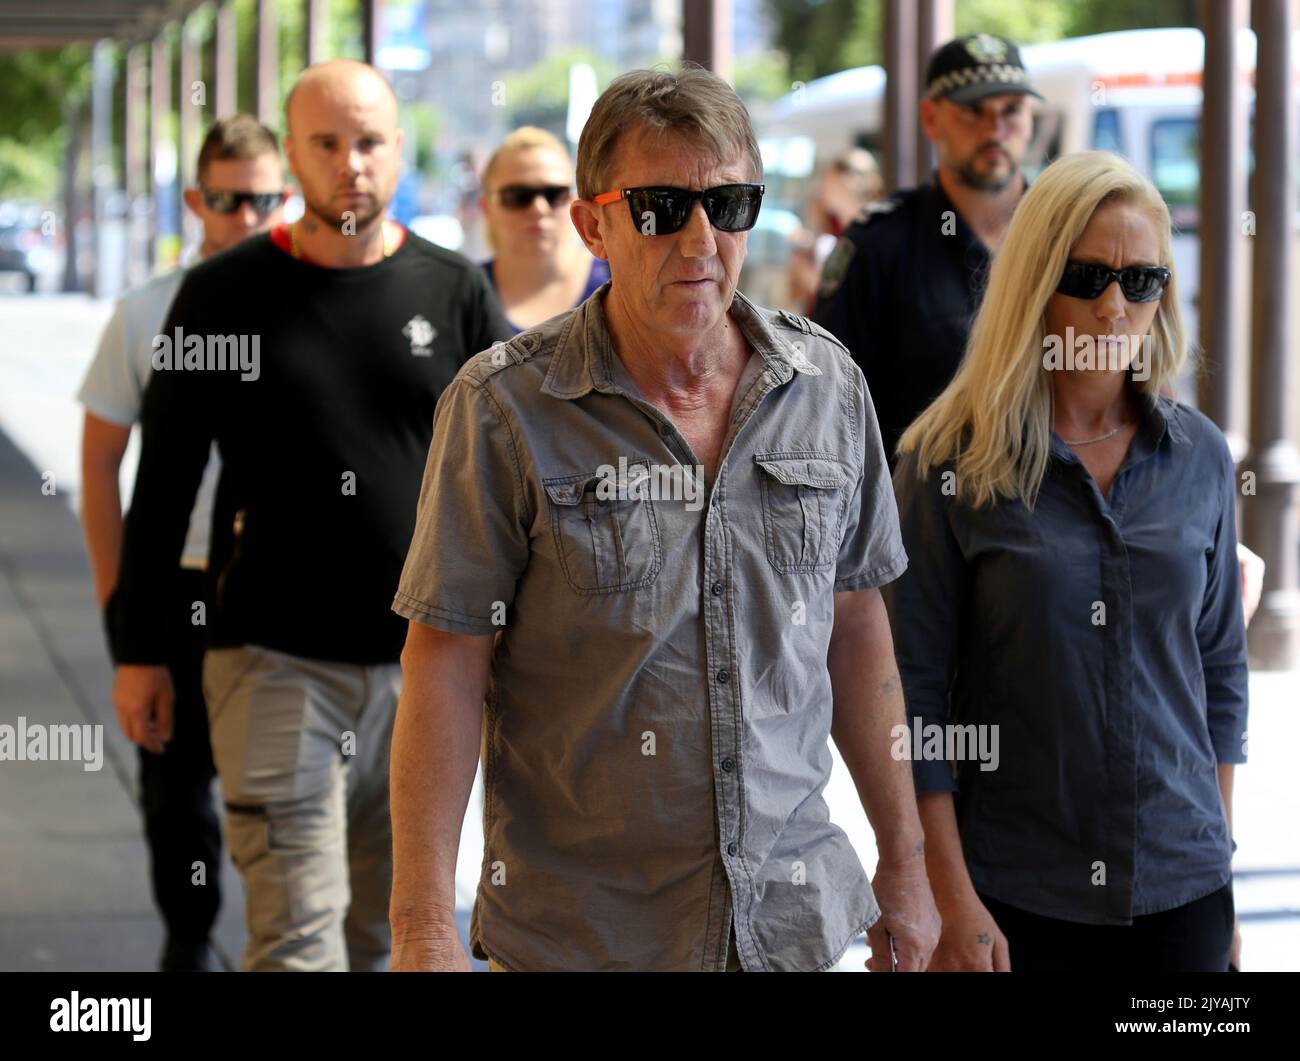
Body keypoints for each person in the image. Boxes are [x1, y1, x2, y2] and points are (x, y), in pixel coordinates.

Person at [388, 66, 940, 973]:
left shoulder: (828, 387)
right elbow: (445, 660)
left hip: (789, 924)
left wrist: (907, 865)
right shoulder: (504, 408)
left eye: (728, 204)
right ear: (593, 223)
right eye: (659, 208)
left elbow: (856, 626)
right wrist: (421, 925)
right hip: (585, 938)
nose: (700, 238)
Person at [108, 59, 511, 972]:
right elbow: (164, 482)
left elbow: (513, 477)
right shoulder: (221, 296)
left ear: (399, 151)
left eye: (369, 142)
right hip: (273, 661)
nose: (351, 164)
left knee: (392, 937)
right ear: (291, 154)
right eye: (326, 143)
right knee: (294, 941)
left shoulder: (453, 293)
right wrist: (141, 651)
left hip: (430, 675)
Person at [885, 151, 1248, 972]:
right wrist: (948, 896)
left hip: (1183, 895)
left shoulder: (1200, 457)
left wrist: (1217, 858)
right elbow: (912, 699)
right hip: (1016, 901)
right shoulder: (950, 463)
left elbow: (1220, 671)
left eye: (1142, 279)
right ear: (1035, 282)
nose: (1115, 305)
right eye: (1086, 276)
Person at [79, 114, 288, 971]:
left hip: (279, 580)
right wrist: (116, 602)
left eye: (267, 198)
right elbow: (98, 466)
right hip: (171, 583)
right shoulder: (147, 312)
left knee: (288, 784)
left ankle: (287, 944)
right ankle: (189, 941)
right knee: (175, 789)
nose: (247, 215)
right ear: (198, 201)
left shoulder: (316, 301)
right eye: (229, 199)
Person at [814, 33, 1041, 465]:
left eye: (1011, 111)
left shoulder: (1066, 236)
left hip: (1048, 511)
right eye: (973, 112)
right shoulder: (879, 246)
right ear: (932, 119)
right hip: (917, 518)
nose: (995, 130)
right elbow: (831, 401)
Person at [478, 126, 609, 332]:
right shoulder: (467, 291)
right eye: (517, 195)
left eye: (554, 194)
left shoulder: (616, 279)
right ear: (486, 208)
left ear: (574, 202)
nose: (539, 209)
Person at [786, 147, 880, 314]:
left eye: (828, 179)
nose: (822, 187)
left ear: (849, 180)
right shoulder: (836, 223)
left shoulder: (870, 229)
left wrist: (809, 277)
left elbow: (848, 290)